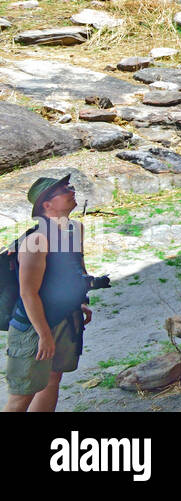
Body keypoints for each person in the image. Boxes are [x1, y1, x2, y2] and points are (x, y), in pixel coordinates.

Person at [4, 174, 92, 412]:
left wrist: (79, 301)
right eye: (64, 189)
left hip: (65, 318)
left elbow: (73, 270)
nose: (71, 191)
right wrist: (44, 334)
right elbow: (28, 293)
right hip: (34, 327)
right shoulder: (36, 241)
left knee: (52, 381)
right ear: (47, 205)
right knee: (23, 394)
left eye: (69, 186)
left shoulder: (75, 230)